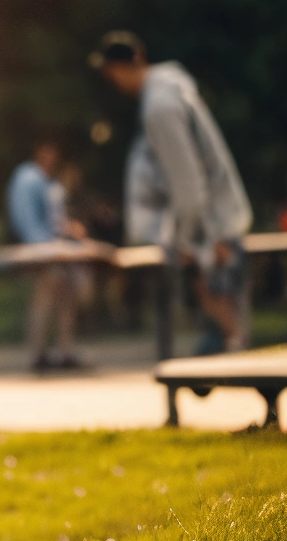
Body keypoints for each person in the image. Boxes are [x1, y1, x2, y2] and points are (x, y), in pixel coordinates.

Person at [90, 30, 253, 354]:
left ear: (122, 67)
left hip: (211, 230)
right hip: (221, 219)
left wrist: (186, 239)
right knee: (230, 334)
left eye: (111, 73)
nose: (112, 82)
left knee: (227, 334)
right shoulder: (172, 85)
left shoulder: (159, 108)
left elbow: (188, 184)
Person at [6, 134, 89, 372]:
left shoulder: (47, 182)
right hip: (42, 250)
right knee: (43, 299)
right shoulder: (28, 178)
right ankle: (39, 353)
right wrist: (44, 249)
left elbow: (53, 220)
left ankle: (64, 351)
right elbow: (27, 220)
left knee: (63, 297)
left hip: (55, 249)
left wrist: (68, 232)